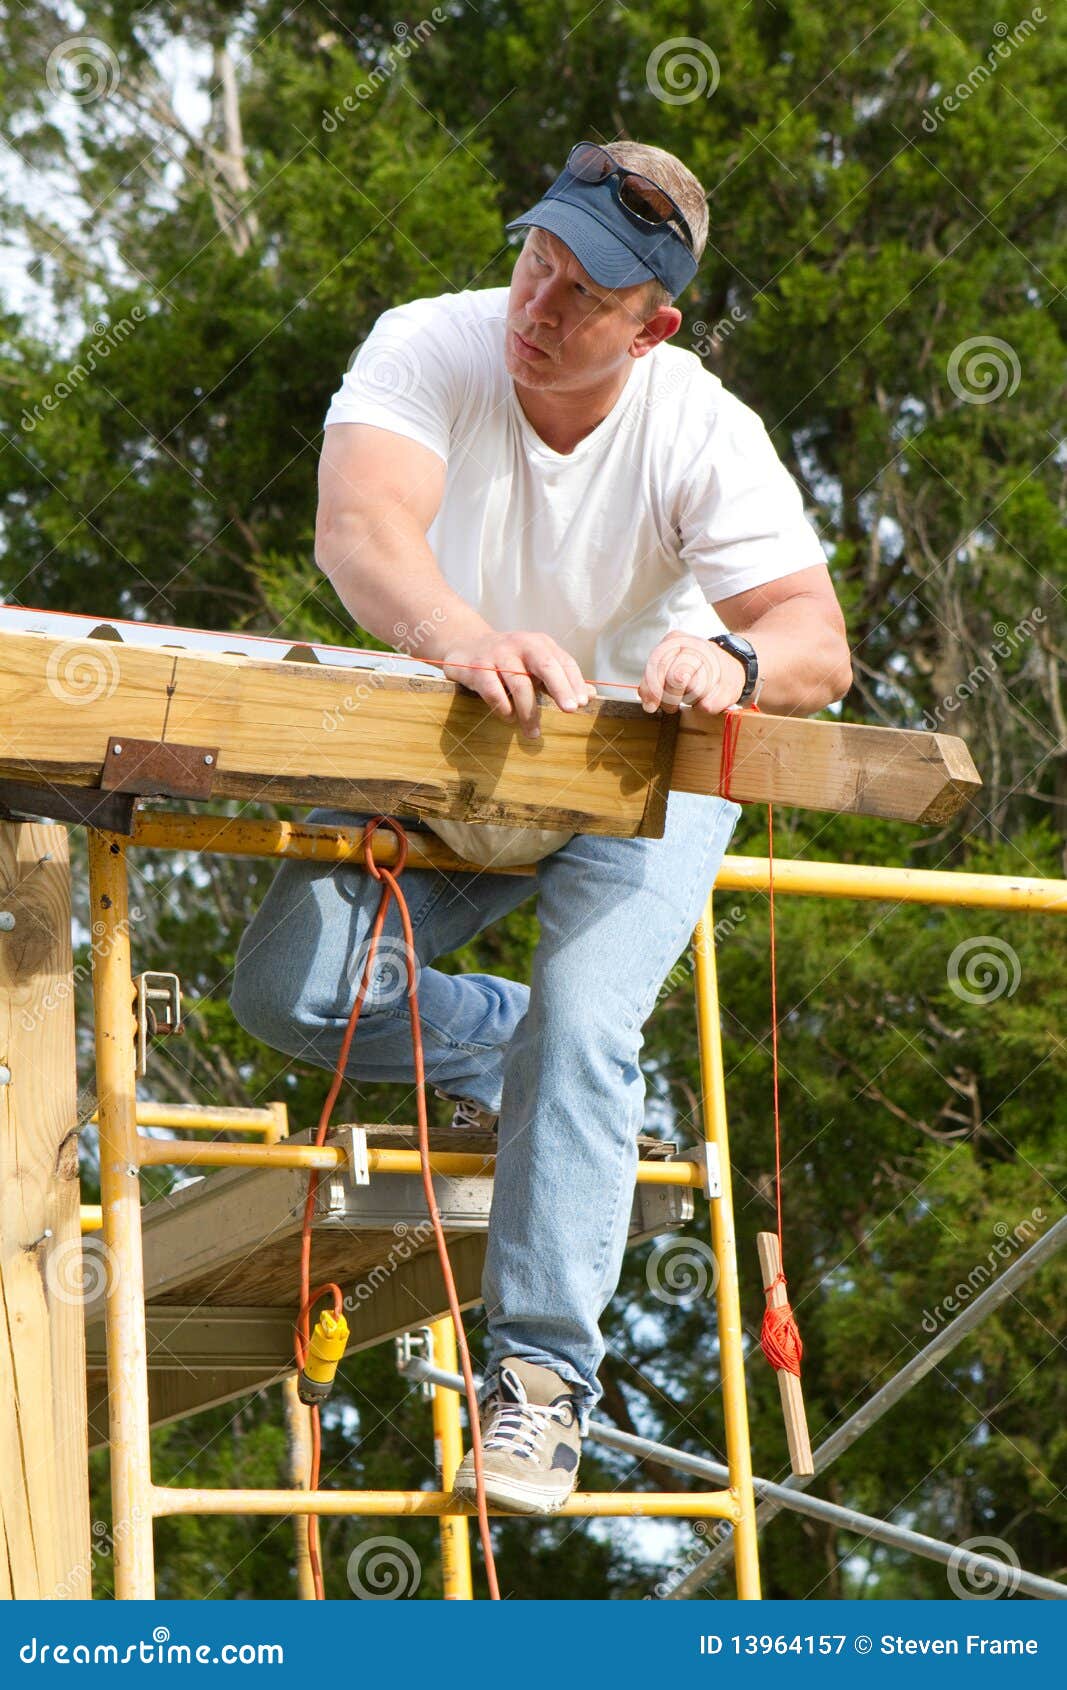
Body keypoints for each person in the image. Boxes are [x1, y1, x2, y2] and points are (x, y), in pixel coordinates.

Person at [230, 139, 851, 1516]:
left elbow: (817, 641)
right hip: (456, 741)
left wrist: (735, 668)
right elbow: (360, 524)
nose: (538, 305)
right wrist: (461, 636)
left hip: (637, 777)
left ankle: (543, 1383)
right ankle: (524, 1058)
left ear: (656, 324)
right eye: (537, 262)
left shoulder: (699, 430)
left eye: (584, 296)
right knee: (290, 990)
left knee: (586, 1022)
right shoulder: (429, 347)